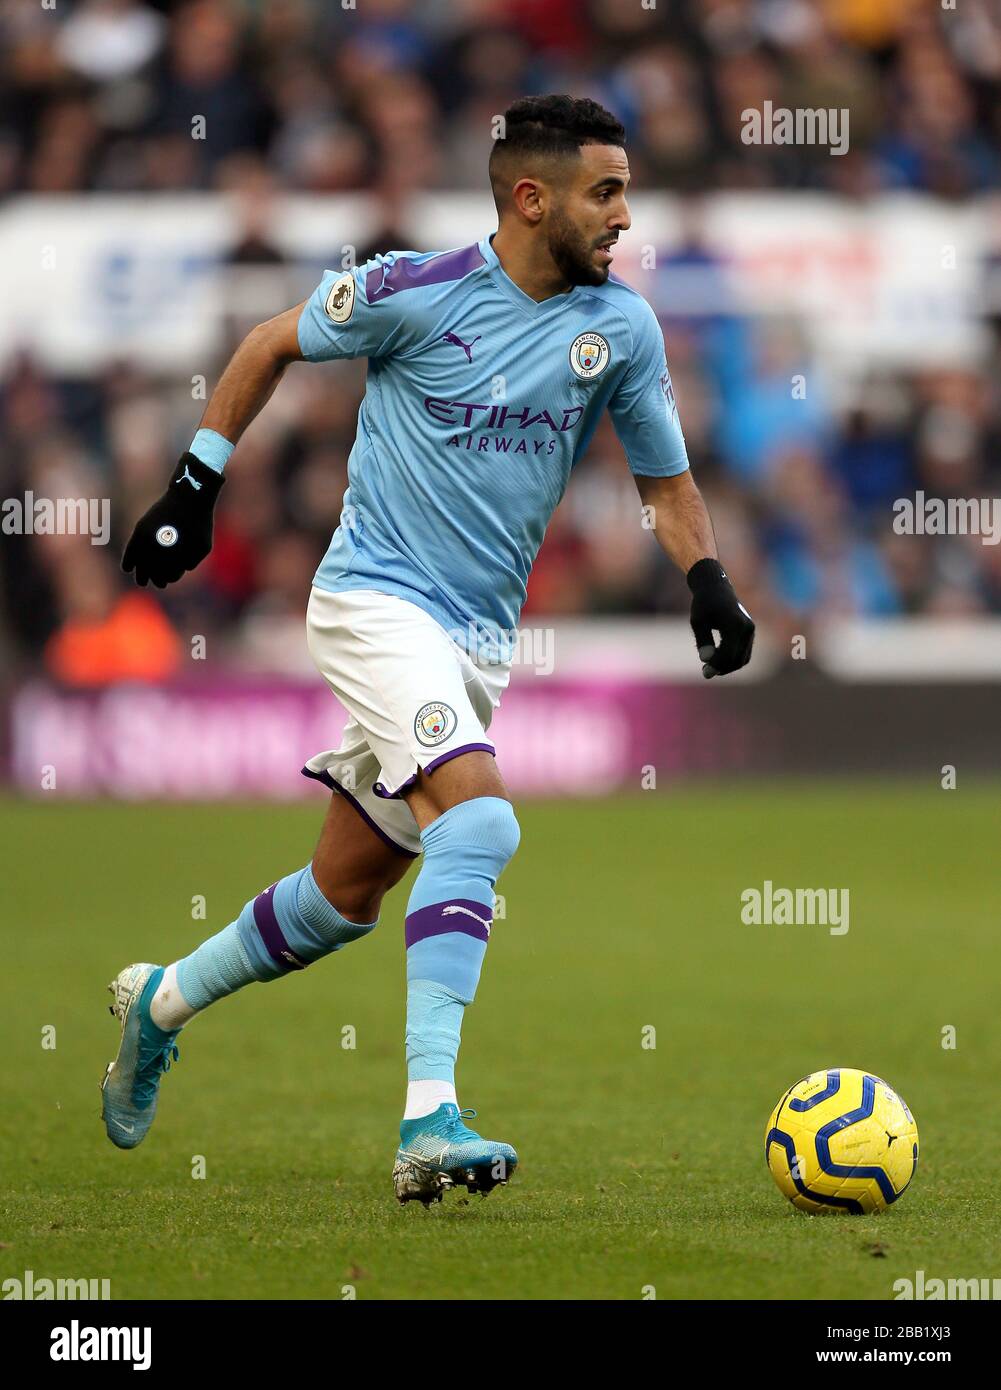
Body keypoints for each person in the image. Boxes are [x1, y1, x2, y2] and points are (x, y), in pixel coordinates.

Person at [103, 94, 754, 1206]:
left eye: (626, 195)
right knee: (485, 819)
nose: (622, 219)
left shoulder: (621, 330)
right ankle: (426, 1120)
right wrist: (194, 485)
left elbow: (663, 477)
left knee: (339, 898)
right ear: (528, 197)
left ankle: (158, 1003)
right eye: (605, 194)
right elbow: (270, 340)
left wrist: (705, 579)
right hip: (372, 603)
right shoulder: (414, 290)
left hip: (470, 648)